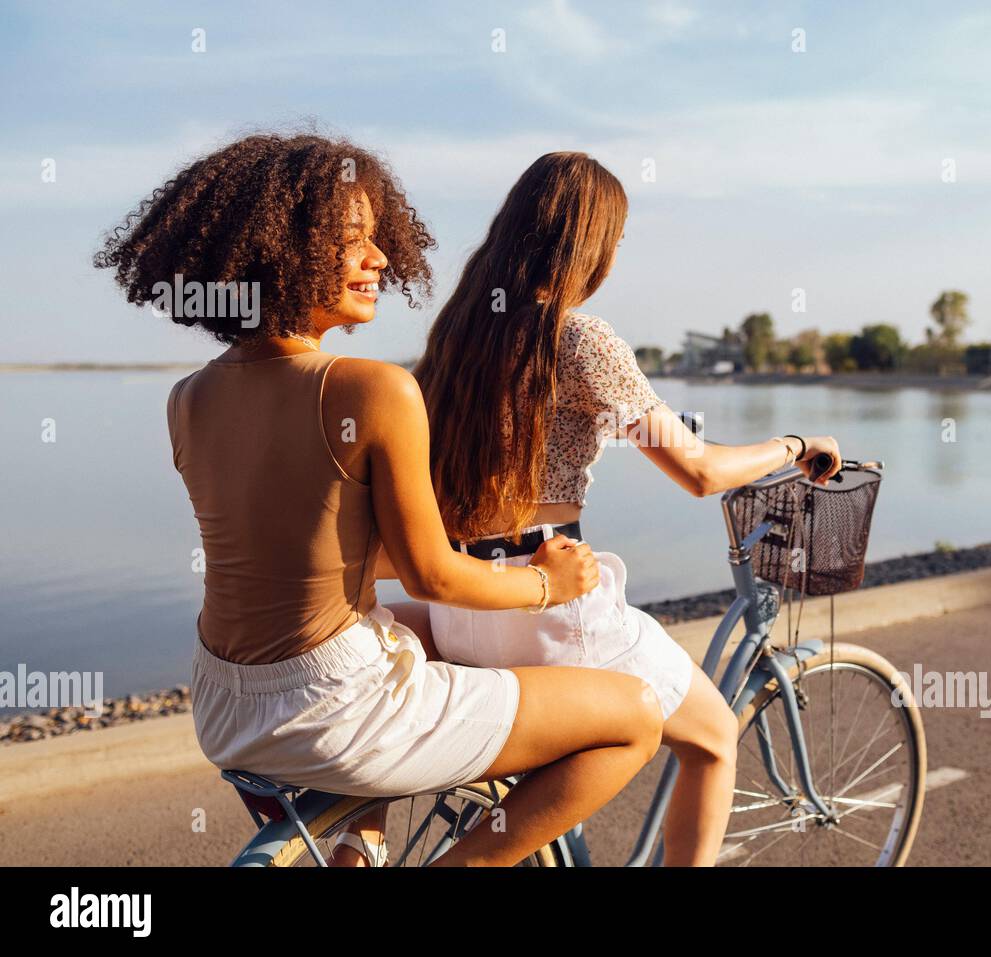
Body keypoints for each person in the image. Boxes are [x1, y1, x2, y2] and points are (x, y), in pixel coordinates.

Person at [93, 133, 663, 867]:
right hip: (336, 713)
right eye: (354, 239)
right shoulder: (372, 388)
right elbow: (432, 575)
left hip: (225, 706)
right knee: (633, 715)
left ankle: (356, 843)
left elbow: (319, 559)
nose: (382, 258)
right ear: (279, 250)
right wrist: (550, 583)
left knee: (402, 632)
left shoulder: (188, 398)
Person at [410, 151, 842, 865]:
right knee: (712, 738)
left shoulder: (459, 338)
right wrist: (793, 444)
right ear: (591, 245)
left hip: (467, 608)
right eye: (614, 240)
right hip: (549, 612)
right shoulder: (579, 338)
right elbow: (699, 470)